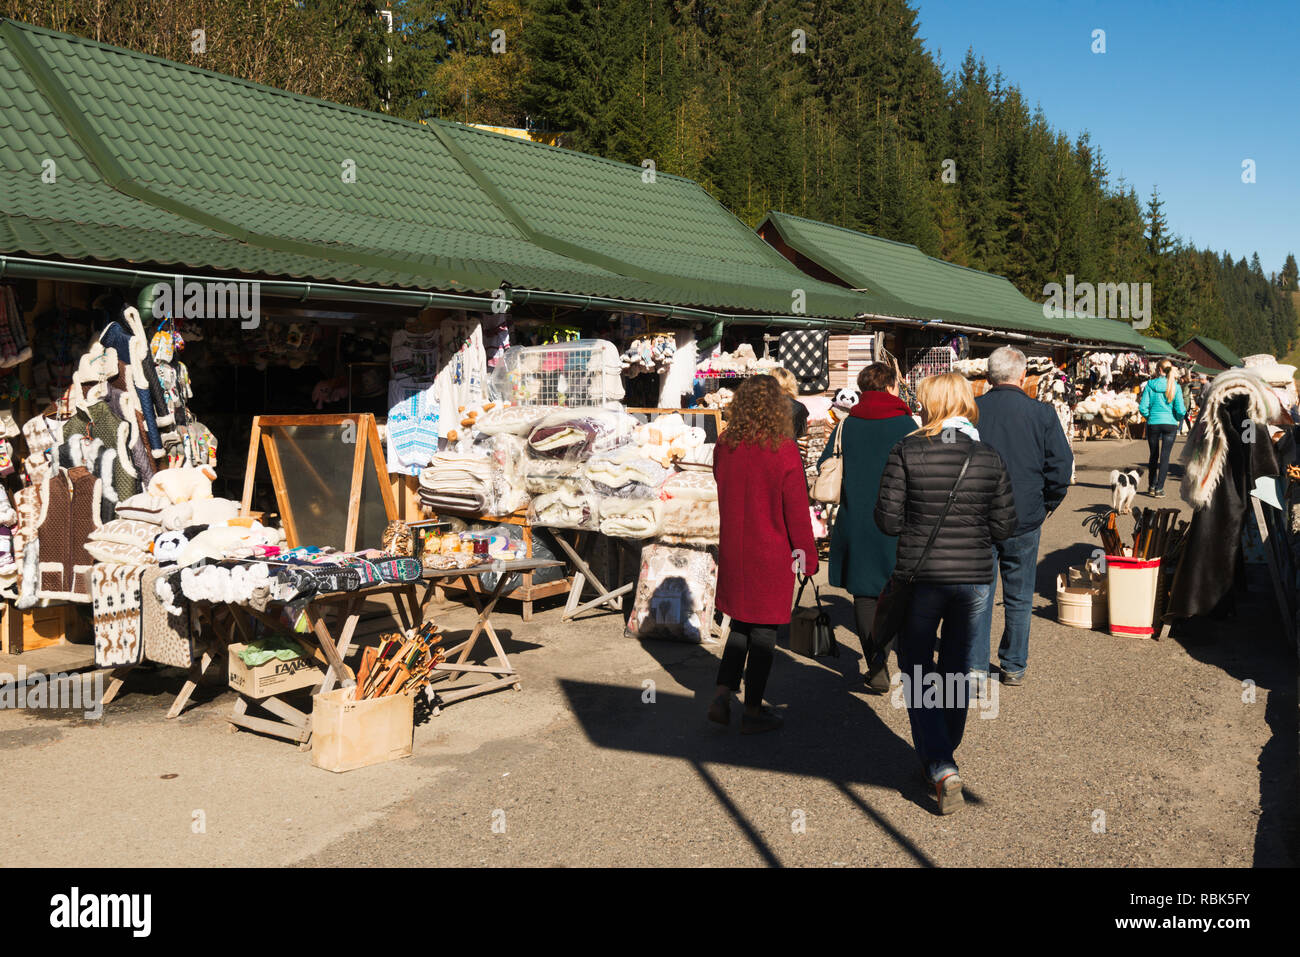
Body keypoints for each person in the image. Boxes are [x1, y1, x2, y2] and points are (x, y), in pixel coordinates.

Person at [875, 373, 1017, 814]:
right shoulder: (988, 456)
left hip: (921, 578)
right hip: (973, 577)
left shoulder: (906, 449)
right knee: (956, 667)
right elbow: (1005, 526)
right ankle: (942, 754)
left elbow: (888, 521)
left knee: (916, 666)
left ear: (929, 404)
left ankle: (940, 763)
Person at [709, 375, 818, 734]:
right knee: (763, 634)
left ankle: (723, 692)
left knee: (740, 623)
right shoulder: (783, 448)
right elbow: (797, 511)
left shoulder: (725, 445)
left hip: (735, 552)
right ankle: (753, 708)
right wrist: (807, 556)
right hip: (770, 553)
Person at [974, 346, 1073, 686]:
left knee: (978, 593)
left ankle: (973, 666)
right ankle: (1013, 666)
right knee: (1019, 594)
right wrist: (1048, 503)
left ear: (989, 375)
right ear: (1022, 375)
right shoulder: (1042, 414)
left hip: (978, 517)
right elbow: (1061, 466)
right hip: (1024, 515)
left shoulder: (972, 410)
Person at [818, 362, 915, 692]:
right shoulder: (907, 424)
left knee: (864, 593)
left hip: (857, 519)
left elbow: (825, 463)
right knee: (894, 591)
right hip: (897, 521)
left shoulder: (847, 425)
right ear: (890, 387)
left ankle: (875, 663)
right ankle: (882, 657)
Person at [1138, 358, 1187, 497]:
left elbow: (1142, 407)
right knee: (1165, 457)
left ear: (1159, 370)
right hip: (1170, 423)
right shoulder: (1175, 386)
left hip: (1153, 422)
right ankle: (1159, 489)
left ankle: (1151, 485)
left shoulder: (1150, 385)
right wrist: (1176, 419)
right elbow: (1181, 410)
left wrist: (1149, 417)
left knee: (1153, 455)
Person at [770, 367, 809, 438]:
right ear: (791, 383)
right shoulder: (799, 407)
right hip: (789, 446)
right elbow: (801, 433)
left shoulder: (760, 404)